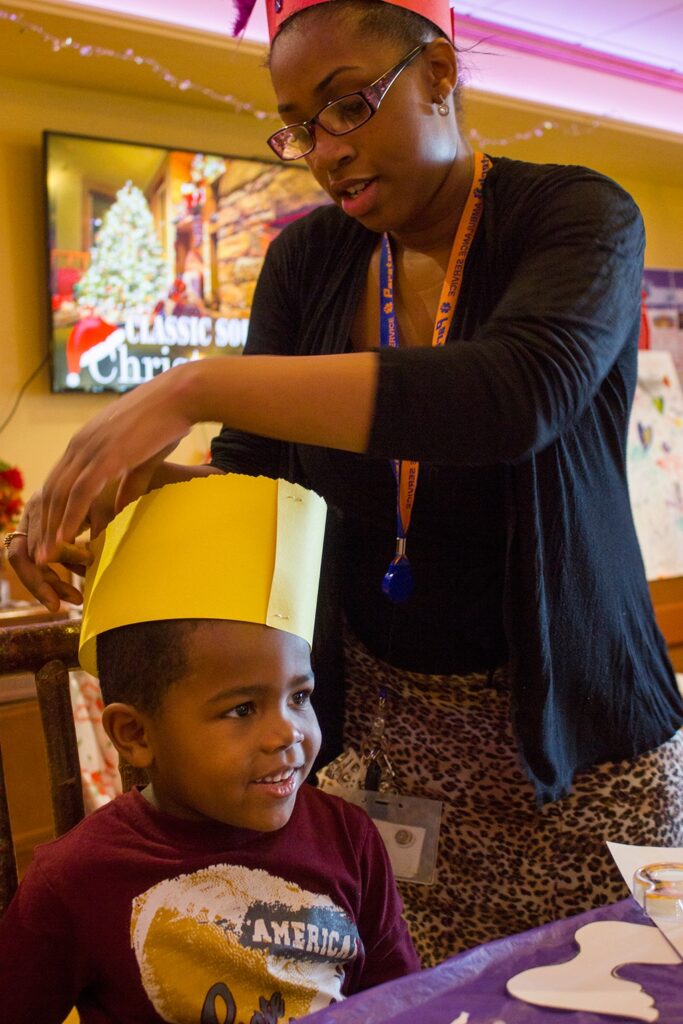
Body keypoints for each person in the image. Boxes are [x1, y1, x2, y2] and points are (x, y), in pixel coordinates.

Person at [9, 0, 683, 966]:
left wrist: (194, 383)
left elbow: (512, 394)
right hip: (385, 744)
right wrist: (98, 496)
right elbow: (254, 479)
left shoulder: (576, 216)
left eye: (347, 106)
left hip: (583, 746)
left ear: (440, 74)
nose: (323, 152)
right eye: (298, 125)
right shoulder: (310, 260)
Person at [0, 474, 419, 1023]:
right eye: (241, 709)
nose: (287, 733)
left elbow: (406, 1003)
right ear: (135, 735)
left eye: (300, 696)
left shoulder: (350, 840)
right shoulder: (74, 882)